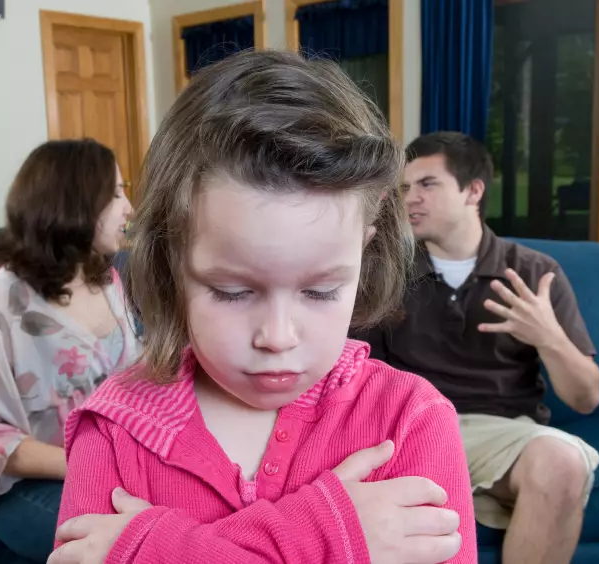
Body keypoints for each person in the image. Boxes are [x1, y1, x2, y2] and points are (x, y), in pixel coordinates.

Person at [48, 51, 477, 564]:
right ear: (170, 257)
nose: (278, 337)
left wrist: (160, 550)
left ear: (365, 246)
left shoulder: (411, 421)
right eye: (232, 292)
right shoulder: (115, 430)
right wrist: (325, 539)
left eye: (320, 292)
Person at [351, 131, 599, 564]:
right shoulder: (388, 270)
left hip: (502, 430)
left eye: (428, 184)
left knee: (562, 463)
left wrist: (548, 337)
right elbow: (352, 369)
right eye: (406, 187)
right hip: (415, 425)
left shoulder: (532, 272)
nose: (411, 198)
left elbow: (586, 398)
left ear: (474, 191)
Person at [0, 138, 141, 563]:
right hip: (33, 487)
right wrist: (95, 467)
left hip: (116, 469)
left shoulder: (107, 280)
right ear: (75, 206)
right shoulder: (1, 303)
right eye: (115, 194)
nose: (129, 208)